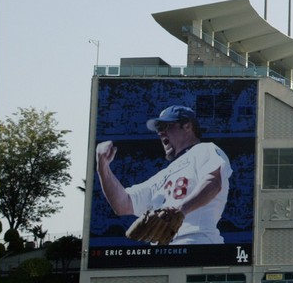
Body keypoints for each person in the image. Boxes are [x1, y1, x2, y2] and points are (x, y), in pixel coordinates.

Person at [95, 105, 232, 245]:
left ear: (187, 126)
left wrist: (181, 210)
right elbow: (123, 204)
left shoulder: (205, 149)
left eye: (165, 126)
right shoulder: (162, 176)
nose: (160, 133)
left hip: (196, 244)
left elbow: (213, 182)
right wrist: (103, 168)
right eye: (158, 129)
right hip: (163, 254)